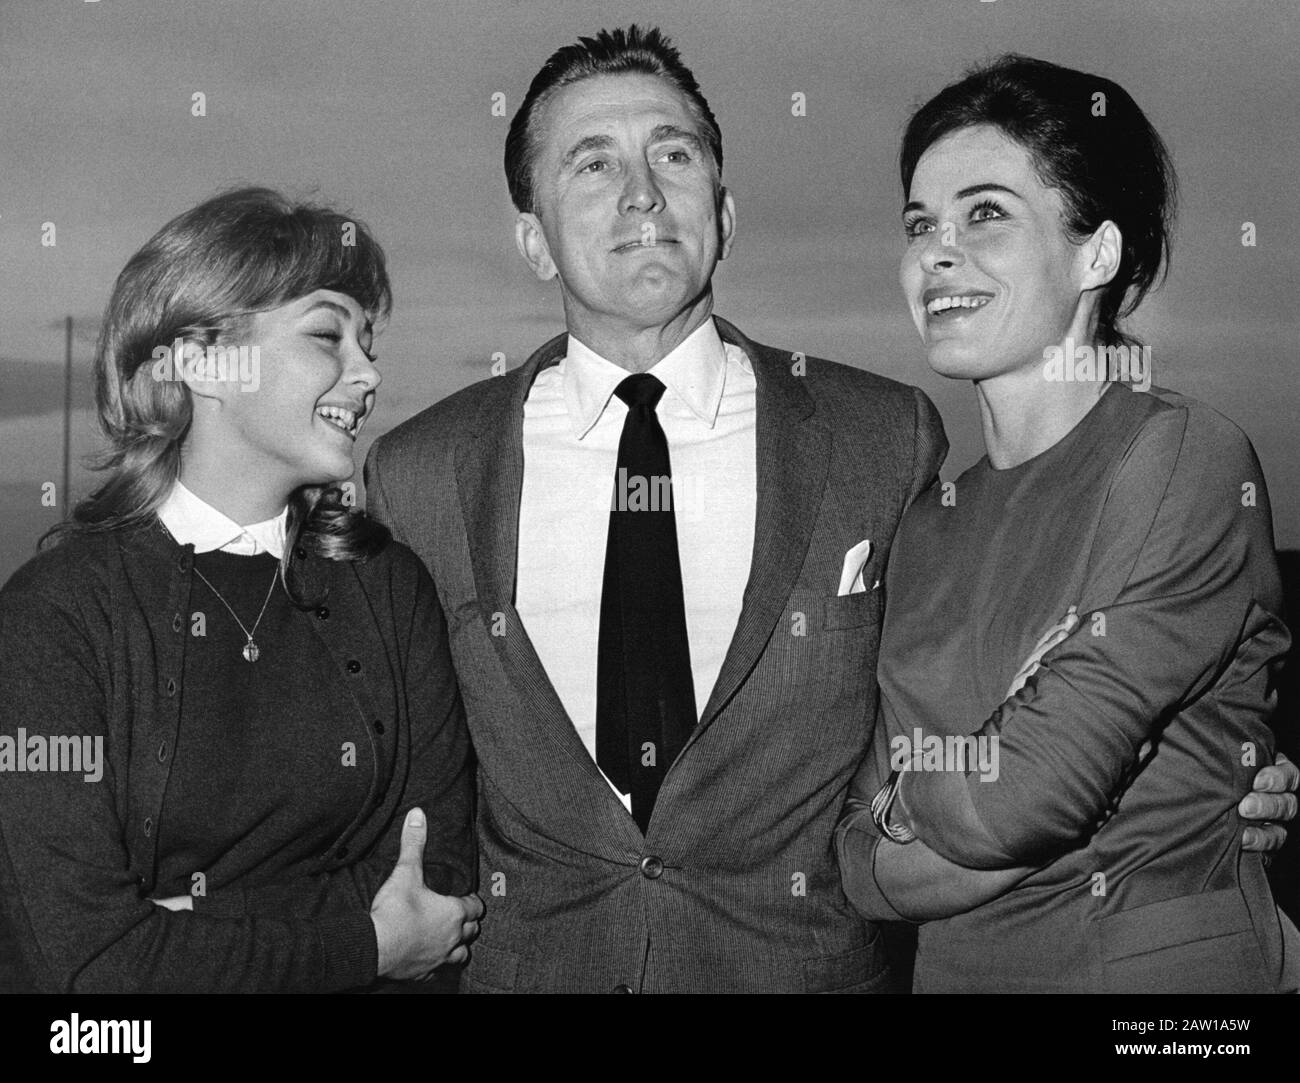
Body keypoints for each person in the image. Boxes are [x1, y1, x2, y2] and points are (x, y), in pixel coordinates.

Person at [366, 28, 1293, 994]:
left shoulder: (886, 439)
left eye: (673, 153)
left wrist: (1175, 781)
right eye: (593, 162)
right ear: (531, 239)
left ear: (724, 211)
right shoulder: (421, 471)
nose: (641, 190)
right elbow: (387, 772)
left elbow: (1056, 738)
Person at [836, 55, 1299, 993]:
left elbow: (1024, 798)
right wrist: (1035, 776)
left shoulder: (1182, 461)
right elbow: (854, 866)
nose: (937, 251)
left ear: (1097, 254)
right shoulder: (926, 521)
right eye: (920, 224)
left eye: (987, 213)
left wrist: (921, 801)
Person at [0, 187, 483, 992]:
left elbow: (439, 883)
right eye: (328, 334)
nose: (367, 375)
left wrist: (185, 929)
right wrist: (362, 945)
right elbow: (85, 966)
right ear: (202, 362)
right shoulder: (54, 620)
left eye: (368, 342)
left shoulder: (389, 588)